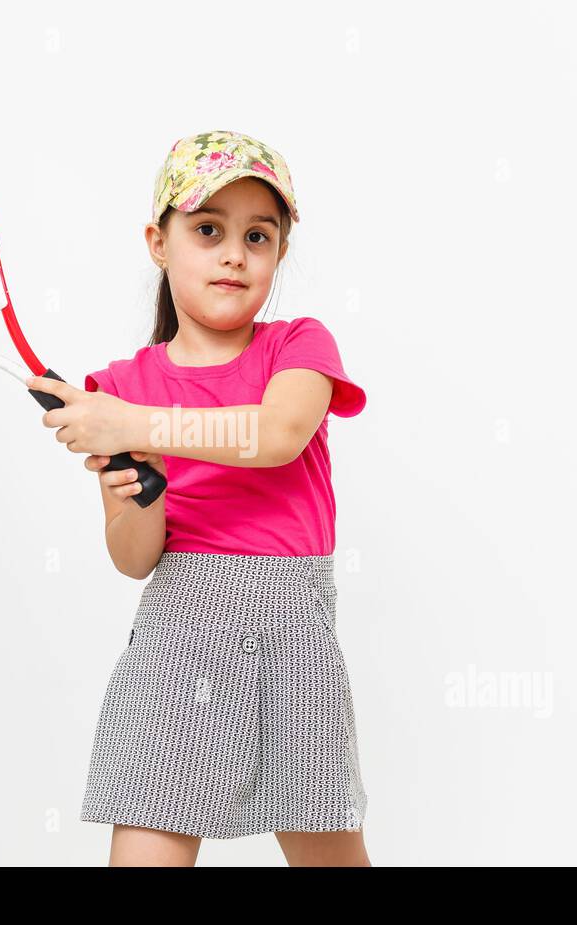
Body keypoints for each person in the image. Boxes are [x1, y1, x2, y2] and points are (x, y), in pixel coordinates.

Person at [26, 131, 370, 867]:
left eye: (258, 235)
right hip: (176, 645)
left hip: (294, 643)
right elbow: (133, 556)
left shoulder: (299, 346)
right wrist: (137, 481)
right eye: (208, 230)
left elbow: (277, 433)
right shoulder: (117, 388)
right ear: (159, 241)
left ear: (280, 251)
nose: (234, 254)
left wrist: (133, 425)